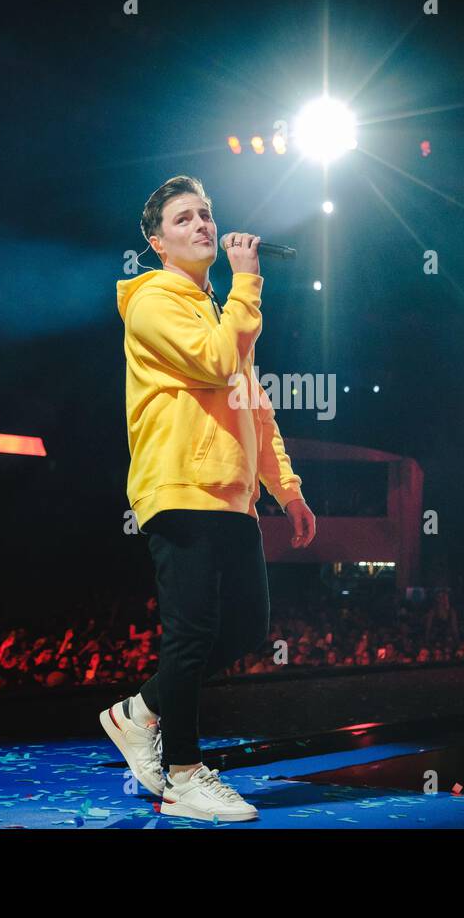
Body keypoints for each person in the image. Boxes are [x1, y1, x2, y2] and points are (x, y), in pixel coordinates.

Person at [104, 175, 317, 823]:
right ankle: (183, 775)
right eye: (184, 218)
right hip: (177, 484)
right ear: (157, 241)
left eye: (207, 214)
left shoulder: (219, 311)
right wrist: (248, 280)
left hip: (232, 497)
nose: (202, 225)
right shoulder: (151, 301)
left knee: (248, 629)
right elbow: (220, 364)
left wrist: (288, 489)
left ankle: (137, 712)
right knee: (192, 629)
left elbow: (254, 406)